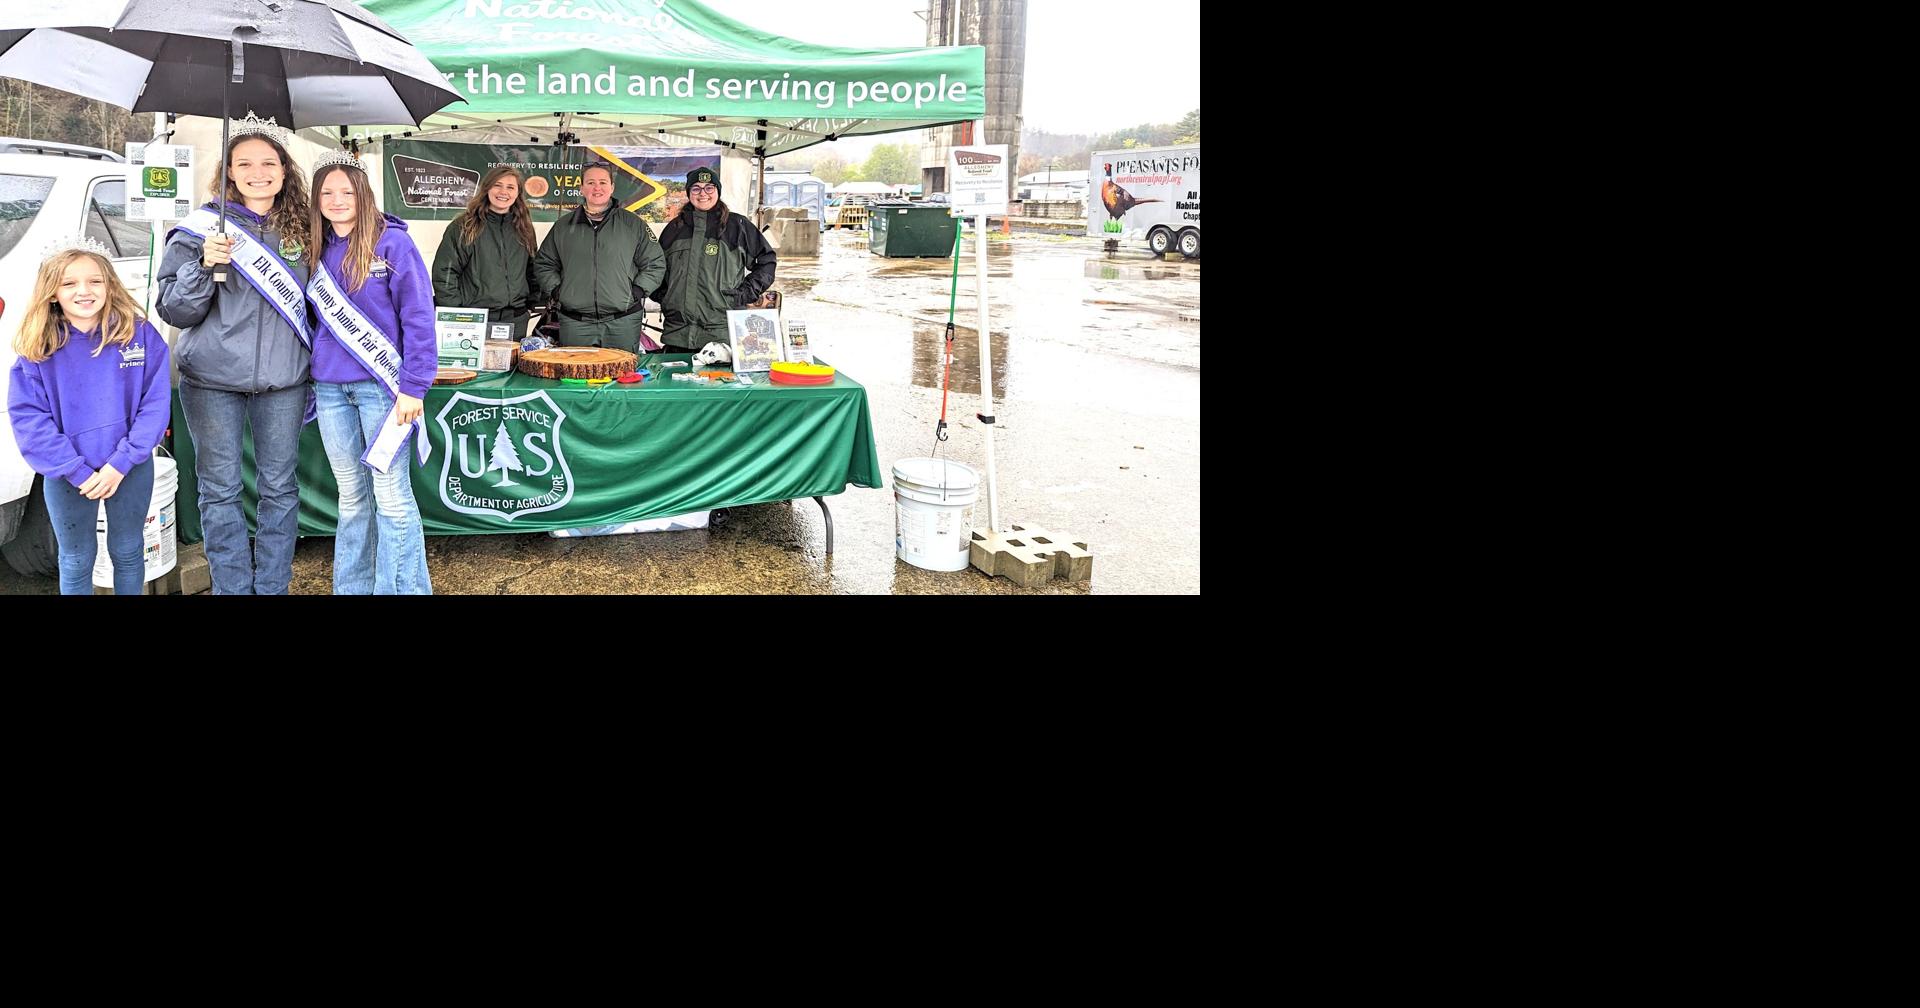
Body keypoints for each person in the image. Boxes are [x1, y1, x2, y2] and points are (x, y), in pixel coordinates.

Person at [155, 114, 311, 595]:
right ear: (228, 172)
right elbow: (174, 311)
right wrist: (204, 266)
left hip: (283, 382)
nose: (257, 171)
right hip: (211, 383)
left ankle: (272, 586)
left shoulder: (307, 231)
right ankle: (230, 587)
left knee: (280, 491)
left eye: (268, 162)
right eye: (244, 163)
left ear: (285, 171)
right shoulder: (199, 230)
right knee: (220, 492)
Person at [7, 240, 171, 595]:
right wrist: (77, 470)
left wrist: (121, 463)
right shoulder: (38, 350)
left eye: (94, 281)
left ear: (110, 285)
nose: (84, 291)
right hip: (68, 474)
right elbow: (31, 421)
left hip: (129, 466)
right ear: (52, 293)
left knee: (128, 552)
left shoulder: (138, 335)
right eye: (69, 283)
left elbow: (155, 403)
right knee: (76, 558)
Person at [305, 151, 436, 595]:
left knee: (392, 497)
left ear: (364, 194)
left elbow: (419, 318)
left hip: (384, 389)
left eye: (346, 191)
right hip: (329, 390)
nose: (337, 200)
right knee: (352, 499)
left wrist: (414, 386)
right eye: (326, 192)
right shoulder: (313, 247)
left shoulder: (393, 244)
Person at [531, 160, 665, 353]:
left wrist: (637, 291)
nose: (597, 188)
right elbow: (544, 264)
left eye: (603, 182)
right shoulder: (563, 226)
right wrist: (558, 291)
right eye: (590, 182)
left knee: (623, 379)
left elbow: (655, 263)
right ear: (581, 188)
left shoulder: (632, 224)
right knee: (576, 378)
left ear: (612, 187)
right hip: (576, 323)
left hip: (623, 322)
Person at [656, 165, 778, 351]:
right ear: (689, 192)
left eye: (709, 188)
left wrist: (745, 293)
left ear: (717, 191)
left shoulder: (738, 226)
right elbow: (654, 268)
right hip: (677, 334)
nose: (702, 193)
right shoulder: (674, 228)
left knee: (719, 380)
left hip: (723, 334)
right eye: (696, 188)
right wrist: (667, 297)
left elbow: (767, 262)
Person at [432, 165, 539, 340]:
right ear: (487, 188)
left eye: (510, 187)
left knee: (512, 367)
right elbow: (445, 272)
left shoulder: (524, 227)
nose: (503, 192)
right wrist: (456, 314)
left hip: (516, 319)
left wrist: (532, 304)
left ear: (518, 193)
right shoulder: (464, 226)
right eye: (497, 185)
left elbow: (532, 269)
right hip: (475, 320)